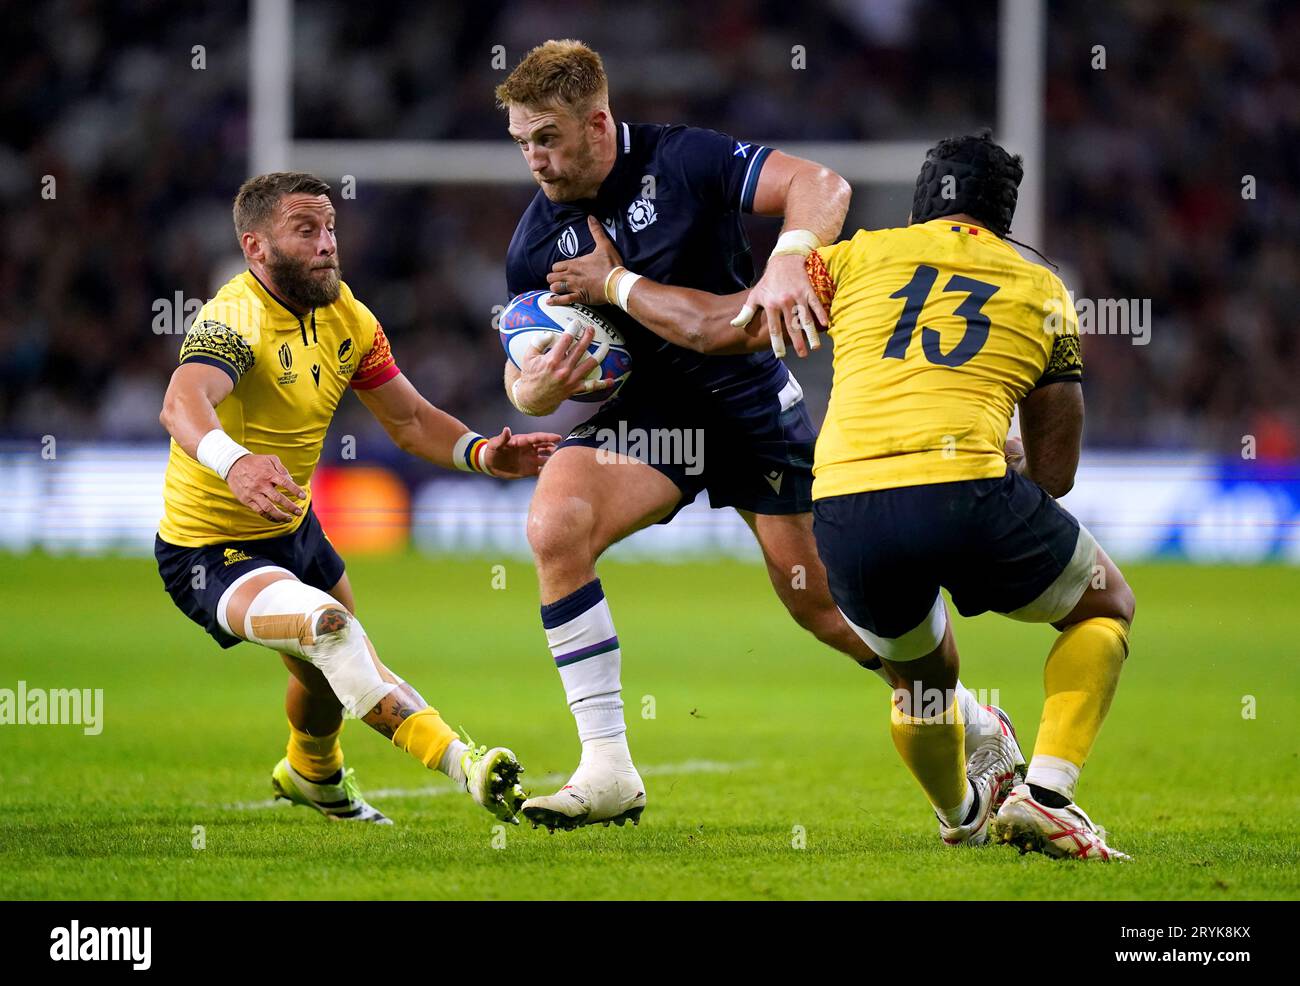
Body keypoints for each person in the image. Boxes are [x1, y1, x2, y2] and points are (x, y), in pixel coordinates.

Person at [548, 132, 1135, 859]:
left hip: (850, 506)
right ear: (1004, 217)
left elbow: (707, 328)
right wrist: (998, 473)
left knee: (922, 683)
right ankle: (1045, 795)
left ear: (924, 200)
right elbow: (1057, 469)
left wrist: (614, 285)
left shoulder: (849, 259)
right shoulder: (1044, 289)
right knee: (1107, 605)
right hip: (969, 490)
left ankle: (961, 815)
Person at [497, 40, 1022, 832]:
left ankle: (972, 718)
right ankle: (607, 768)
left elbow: (820, 184)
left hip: (747, 404)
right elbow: (521, 365)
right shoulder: (536, 241)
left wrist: (790, 257)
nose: (533, 158)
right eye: (522, 142)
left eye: (546, 137)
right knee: (554, 523)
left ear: (597, 122)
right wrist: (532, 390)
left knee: (823, 608)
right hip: (651, 414)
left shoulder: (683, 160)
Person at [156, 171, 558, 826]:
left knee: (320, 673)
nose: (326, 244)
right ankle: (465, 762)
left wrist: (483, 452)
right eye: (306, 230)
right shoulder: (232, 317)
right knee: (331, 633)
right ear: (256, 248)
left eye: (331, 228)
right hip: (211, 549)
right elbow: (182, 401)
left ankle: (313, 772)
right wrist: (234, 465)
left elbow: (409, 421)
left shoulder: (348, 316)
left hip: (293, 525)